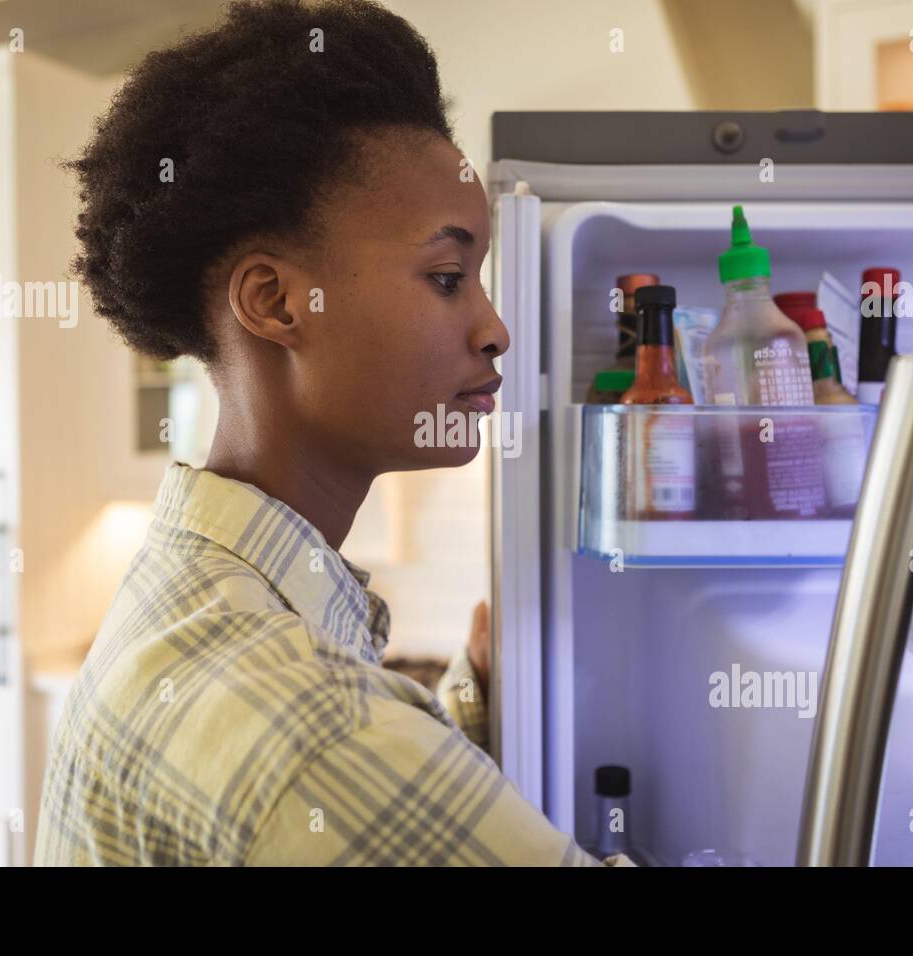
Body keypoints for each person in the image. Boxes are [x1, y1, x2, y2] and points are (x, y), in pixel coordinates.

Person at [35, 0, 630, 866]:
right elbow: (327, 759)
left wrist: (487, 702)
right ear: (276, 303)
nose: (494, 327)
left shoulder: (197, 600)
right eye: (446, 275)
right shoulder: (308, 730)